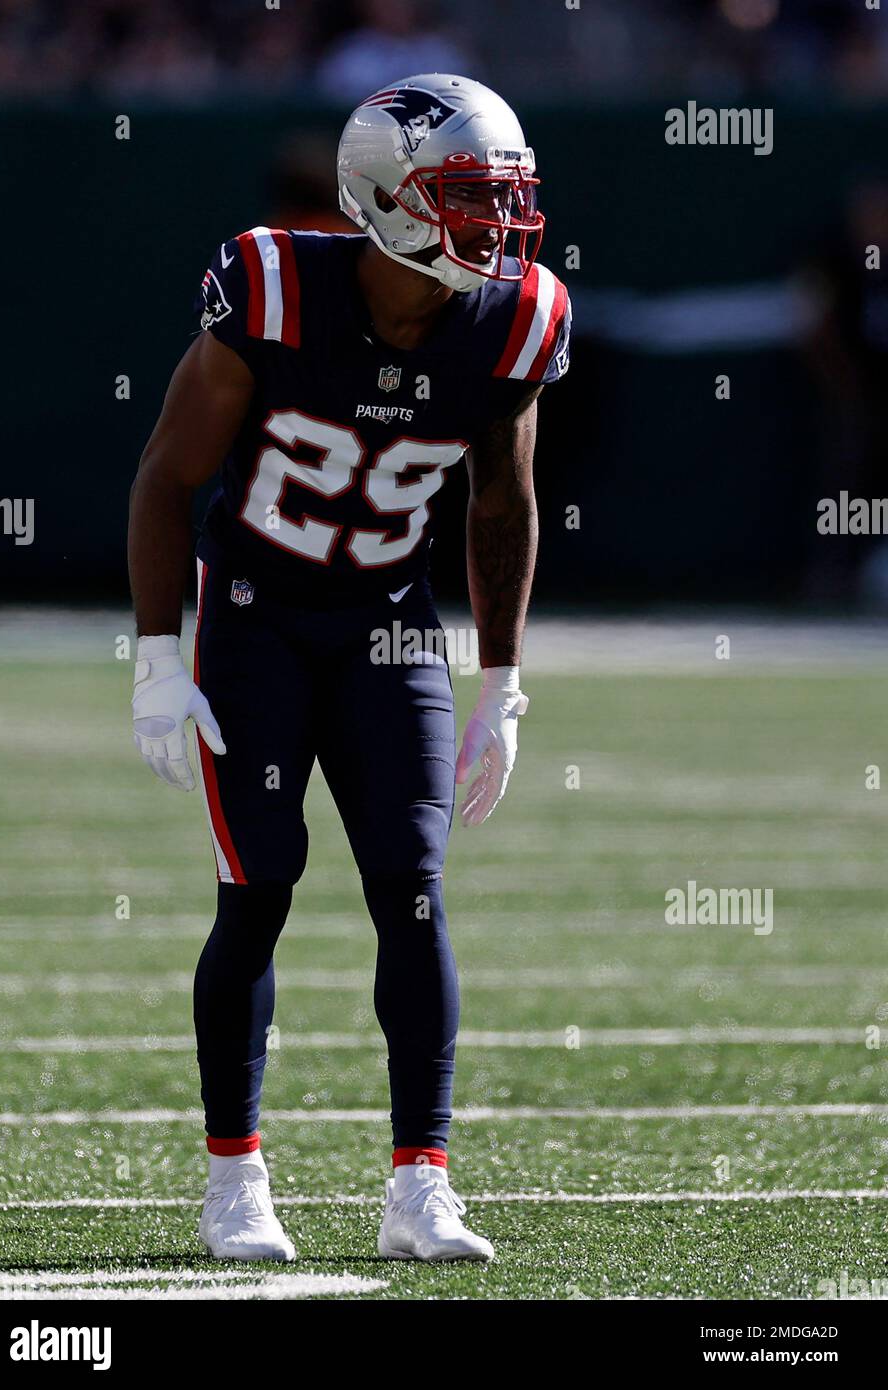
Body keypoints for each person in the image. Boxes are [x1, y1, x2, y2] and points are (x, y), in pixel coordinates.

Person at [127, 73, 571, 1264]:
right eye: (470, 195)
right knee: (260, 882)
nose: (501, 223)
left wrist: (502, 680)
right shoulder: (275, 287)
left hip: (386, 622)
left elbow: (504, 498)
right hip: (259, 616)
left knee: (412, 884)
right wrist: (158, 655)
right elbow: (169, 477)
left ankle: (419, 1185)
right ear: (385, 196)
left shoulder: (516, 315)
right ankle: (235, 1182)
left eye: (507, 195)